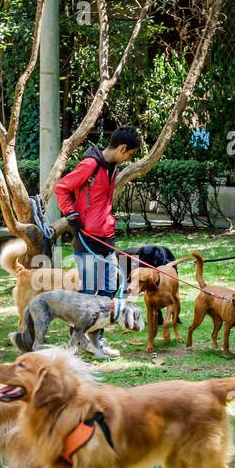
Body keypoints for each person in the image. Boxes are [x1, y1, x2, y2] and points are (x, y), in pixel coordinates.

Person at [54, 127, 142, 357]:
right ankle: (75, 343)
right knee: (89, 294)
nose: (128, 159)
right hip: (87, 239)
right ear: (122, 148)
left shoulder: (112, 167)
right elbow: (62, 187)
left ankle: (96, 341)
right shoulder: (90, 165)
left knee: (107, 292)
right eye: (129, 154)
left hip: (106, 237)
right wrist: (71, 216)